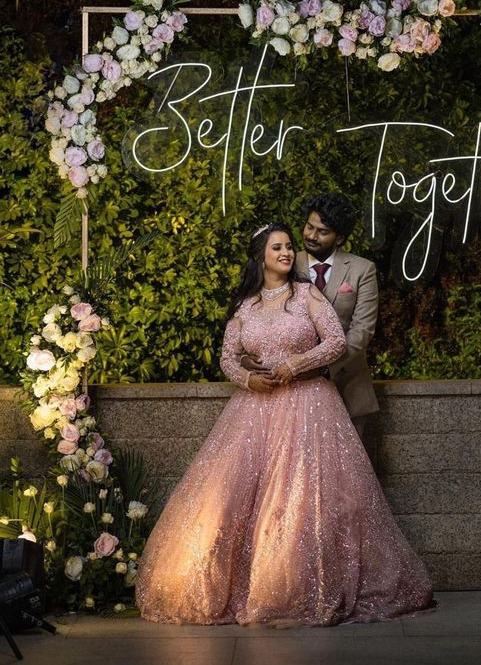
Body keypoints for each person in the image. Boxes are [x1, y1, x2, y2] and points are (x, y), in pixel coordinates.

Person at [135, 222, 433, 626]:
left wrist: (294, 365)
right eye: (277, 248)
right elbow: (227, 357)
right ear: (261, 256)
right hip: (255, 408)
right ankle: (251, 584)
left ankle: (296, 585)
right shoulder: (247, 305)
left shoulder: (307, 294)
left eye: (290, 247)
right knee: (233, 500)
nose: (287, 253)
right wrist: (248, 379)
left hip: (309, 406)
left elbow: (336, 342)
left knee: (303, 497)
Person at [297, 193, 380, 437]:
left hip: (348, 386)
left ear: (340, 237)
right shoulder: (288, 262)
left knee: (353, 472)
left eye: (322, 231)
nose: (312, 235)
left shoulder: (362, 269)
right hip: (295, 388)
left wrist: (323, 366)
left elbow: (362, 331)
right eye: (309, 227)